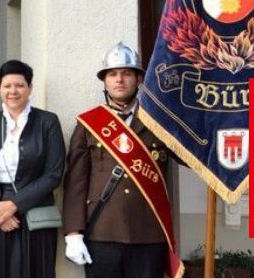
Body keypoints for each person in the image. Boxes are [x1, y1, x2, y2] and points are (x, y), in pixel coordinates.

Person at [62, 42, 174, 278]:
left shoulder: (159, 123)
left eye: (126, 73)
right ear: (105, 81)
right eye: (112, 74)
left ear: (138, 79)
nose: (119, 80)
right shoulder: (88, 125)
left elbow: (189, 157)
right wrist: (73, 232)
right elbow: (75, 184)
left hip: (148, 233)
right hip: (102, 232)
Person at [0, 59, 66, 278]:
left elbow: (54, 174)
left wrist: (14, 205)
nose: (13, 91)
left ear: (30, 88)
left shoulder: (47, 122)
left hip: (34, 215)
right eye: (7, 86)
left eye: (20, 85)